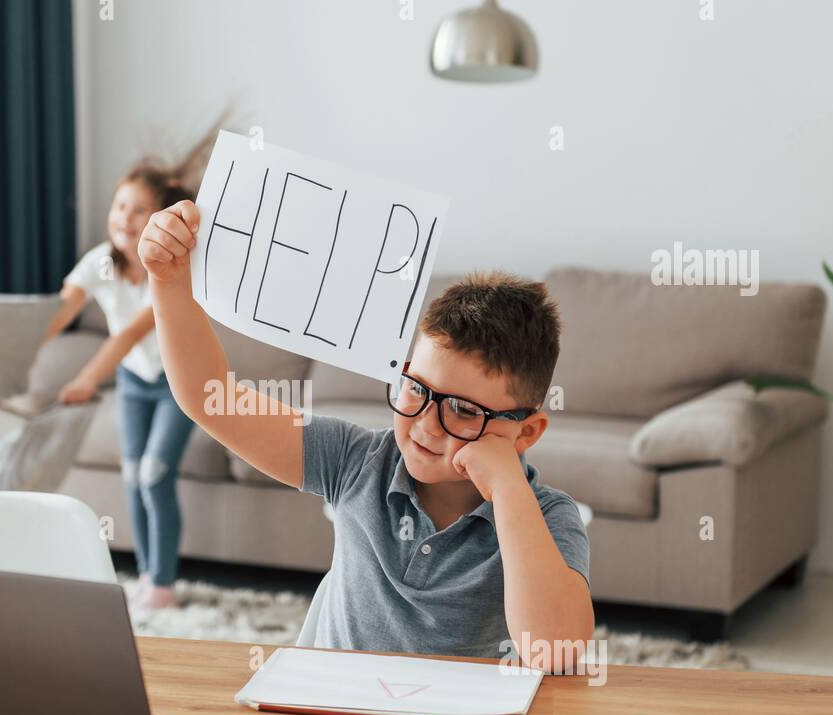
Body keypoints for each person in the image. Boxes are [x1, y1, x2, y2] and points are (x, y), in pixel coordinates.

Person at [138, 199, 594, 668]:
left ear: (525, 432)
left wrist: (507, 489)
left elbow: (554, 651)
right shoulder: (356, 461)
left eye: (462, 410)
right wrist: (169, 281)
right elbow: (208, 397)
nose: (425, 423)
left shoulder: (547, 515)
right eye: (416, 387)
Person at [34, 140, 212, 612]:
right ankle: (148, 577)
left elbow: (129, 335)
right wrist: (20, 346)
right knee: (134, 475)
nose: (125, 219)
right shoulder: (99, 262)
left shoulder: (174, 270)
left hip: (180, 383)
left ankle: (164, 583)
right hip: (135, 384)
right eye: (120, 207)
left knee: (155, 473)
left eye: (139, 211)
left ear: (161, 218)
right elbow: (58, 311)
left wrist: (87, 379)